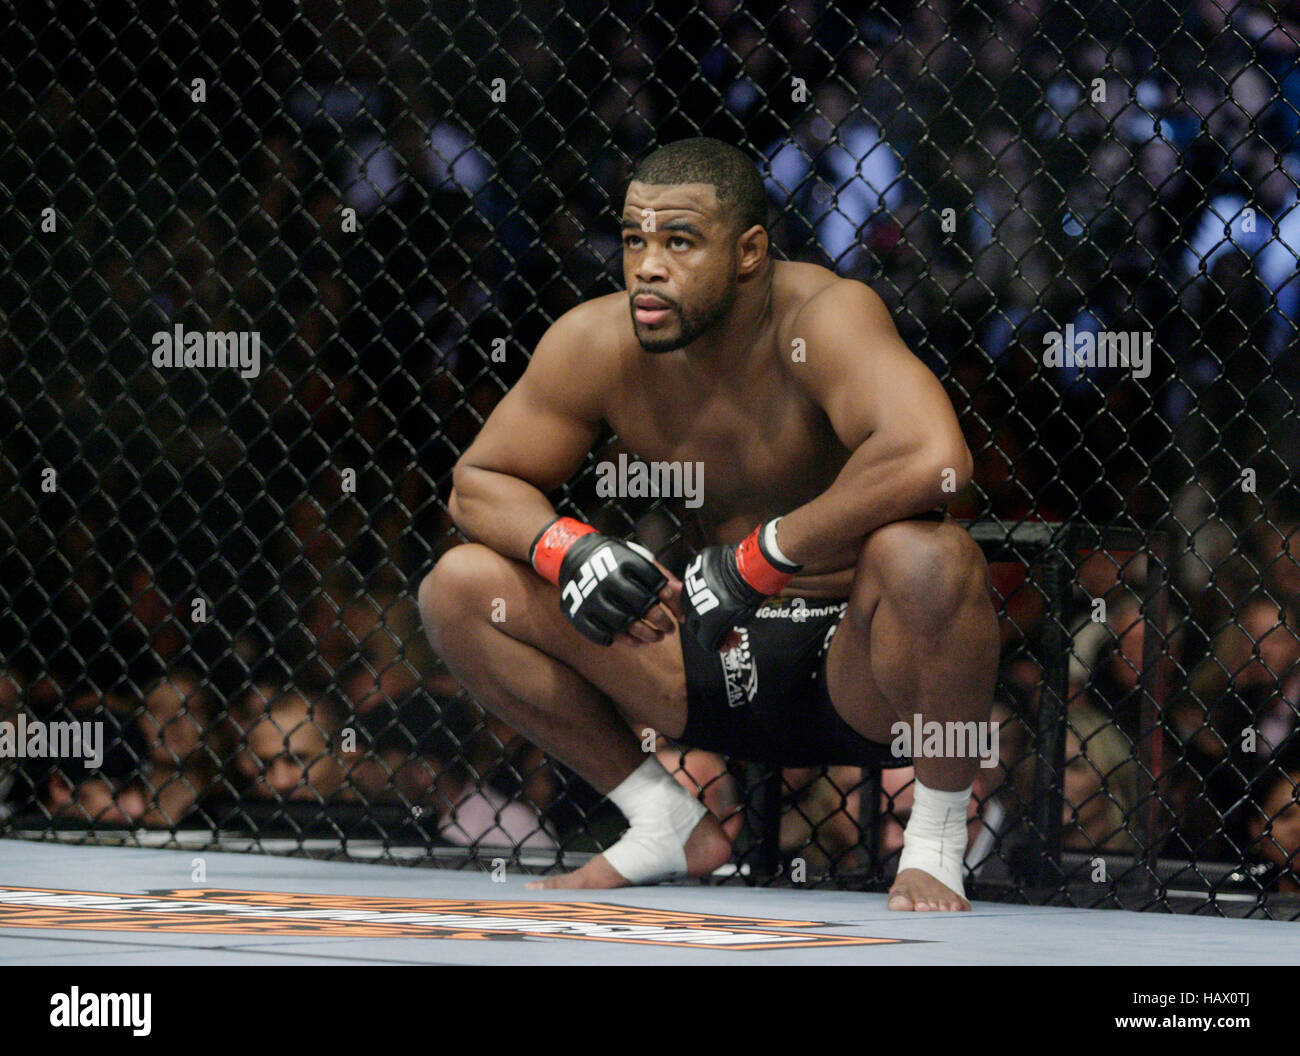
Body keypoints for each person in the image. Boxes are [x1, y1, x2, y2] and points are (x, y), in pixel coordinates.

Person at [420, 138, 999, 912]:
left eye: (679, 241)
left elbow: (934, 458)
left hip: (857, 668)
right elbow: (477, 482)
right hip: (708, 650)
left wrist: (767, 555)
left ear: (750, 251)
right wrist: (571, 549)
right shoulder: (598, 341)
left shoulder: (824, 316)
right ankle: (664, 819)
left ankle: (931, 847)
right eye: (635, 240)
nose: (648, 266)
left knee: (929, 555)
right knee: (458, 587)